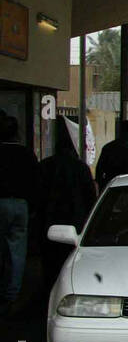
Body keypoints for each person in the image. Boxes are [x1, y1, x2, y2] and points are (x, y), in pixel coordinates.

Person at [36, 120, 96, 297]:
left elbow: (37, 194)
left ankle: (49, 292)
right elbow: (90, 197)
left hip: (48, 222)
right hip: (75, 223)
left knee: (50, 263)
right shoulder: (81, 168)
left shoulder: (45, 166)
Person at [0, 115, 37, 308]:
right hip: (21, 205)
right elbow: (35, 182)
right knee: (16, 251)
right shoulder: (26, 154)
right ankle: (12, 293)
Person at [95, 119, 128, 190]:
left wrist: (102, 185)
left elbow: (99, 169)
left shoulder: (108, 147)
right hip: (124, 185)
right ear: (127, 132)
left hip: (110, 184)